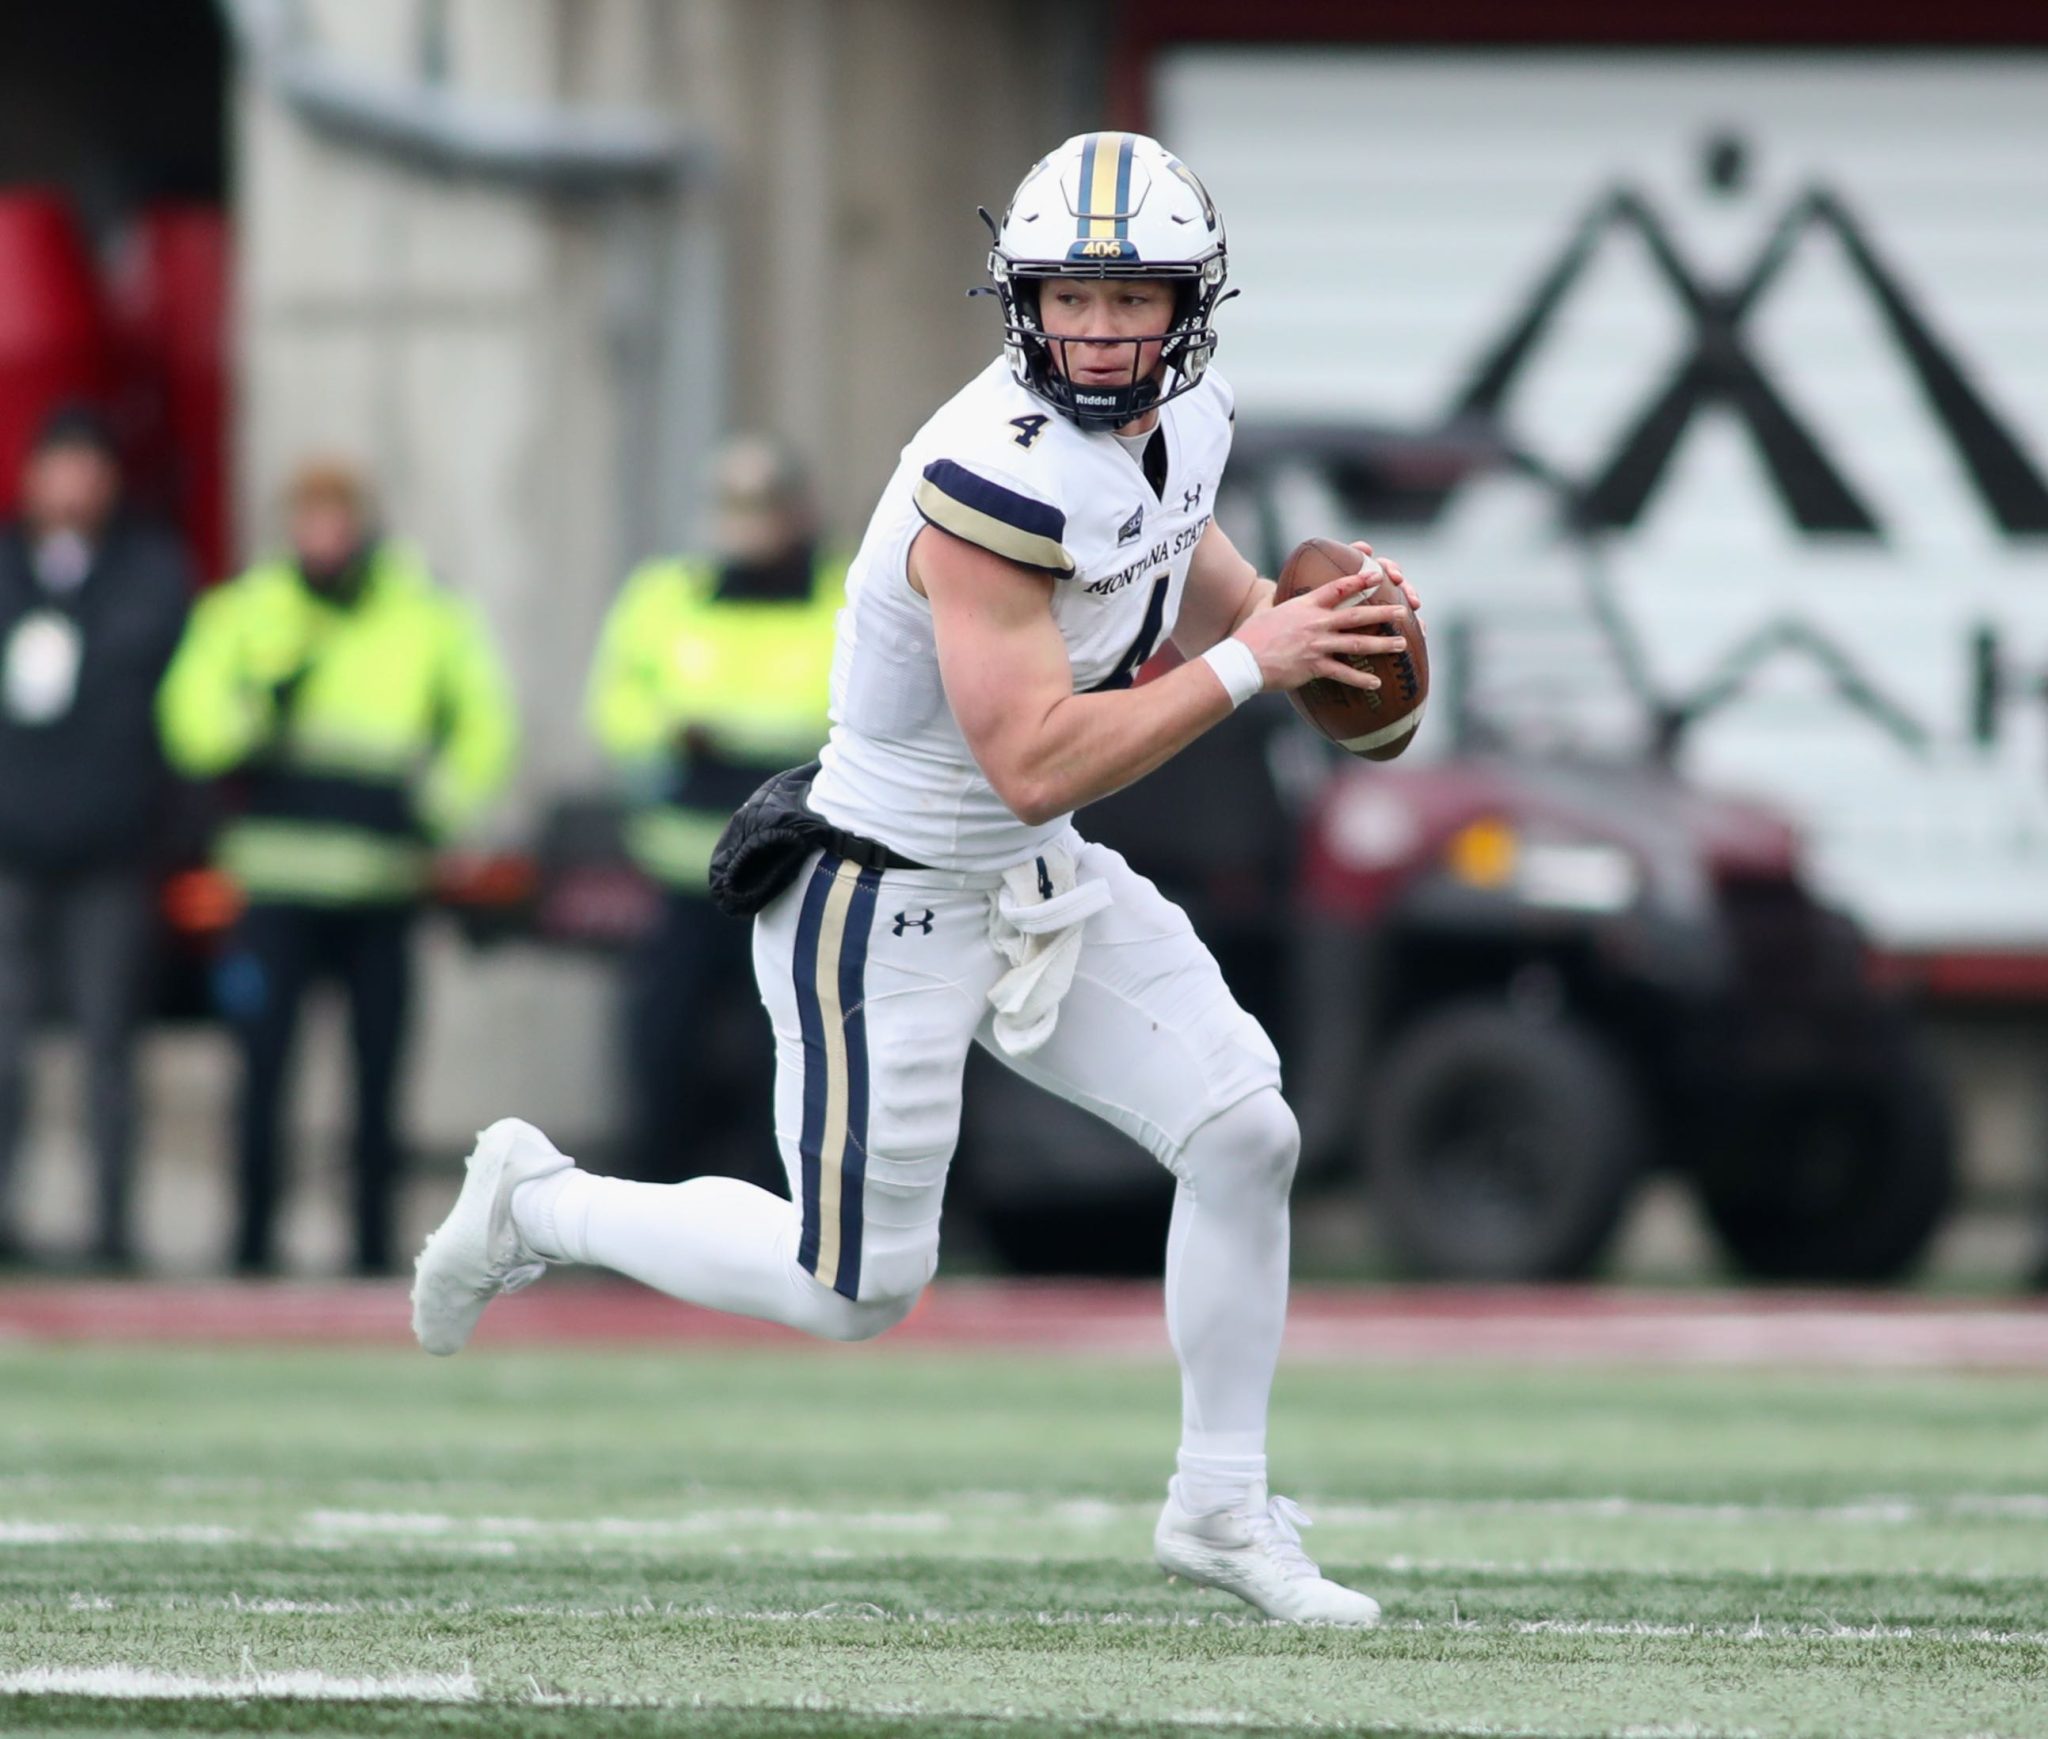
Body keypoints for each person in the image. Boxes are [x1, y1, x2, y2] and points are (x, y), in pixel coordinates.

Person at [413, 133, 1416, 1624]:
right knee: (854, 1286)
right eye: (1063, 295)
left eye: (1126, 296)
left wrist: (1291, 620)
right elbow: (1036, 755)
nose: (1092, 326)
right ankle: (538, 1202)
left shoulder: (1186, 415)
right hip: (877, 892)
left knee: (1245, 1129)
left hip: (1026, 872)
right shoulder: (983, 474)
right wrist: (1247, 664)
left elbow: (1171, 533)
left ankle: (1218, 1502)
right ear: (1017, 299)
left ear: (1187, 305)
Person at [159, 460, 517, 1275]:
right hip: (275, 890)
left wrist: (437, 809)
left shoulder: (424, 612)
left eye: (336, 518)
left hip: (379, 888)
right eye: (309, 519)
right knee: (261, 1075)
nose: (323, 536)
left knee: (379, 1081)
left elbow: (486, 727)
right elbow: (189, 724)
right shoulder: (247, 611)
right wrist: (257, 712)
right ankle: (250, 1245)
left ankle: (371, 1249)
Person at [587, 436, 840, 1185]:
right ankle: (654, 1221)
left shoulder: (845, 596)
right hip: (682, 879)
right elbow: (616, 703)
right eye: (733, 507)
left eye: (761, 507)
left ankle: (783, 1220)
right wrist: (672, 738)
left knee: (790, 1057)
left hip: (797, 882)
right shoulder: (666, 596)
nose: (746, 525)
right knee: (660, 1052)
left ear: (797, 513)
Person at [0, 404, 193, 1267]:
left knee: (109, 1043)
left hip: (109, 849)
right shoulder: (8, 567)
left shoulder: (148, 571)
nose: (70, 486)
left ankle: (112, 1225)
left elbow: (145, 694)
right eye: (57, 466)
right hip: (10, 848)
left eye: (86, 467)